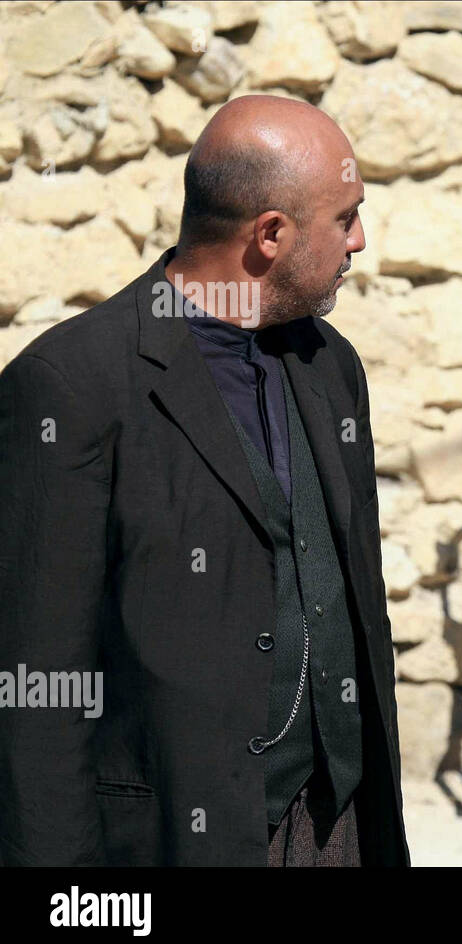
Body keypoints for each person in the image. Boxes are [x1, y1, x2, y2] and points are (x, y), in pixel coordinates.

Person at [0, 95, 408, 866]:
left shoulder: (332, 366)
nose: (360, 239)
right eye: (345, 217)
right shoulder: (71, 386)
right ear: (271, 235)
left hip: (336, 828)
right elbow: (35, 692)